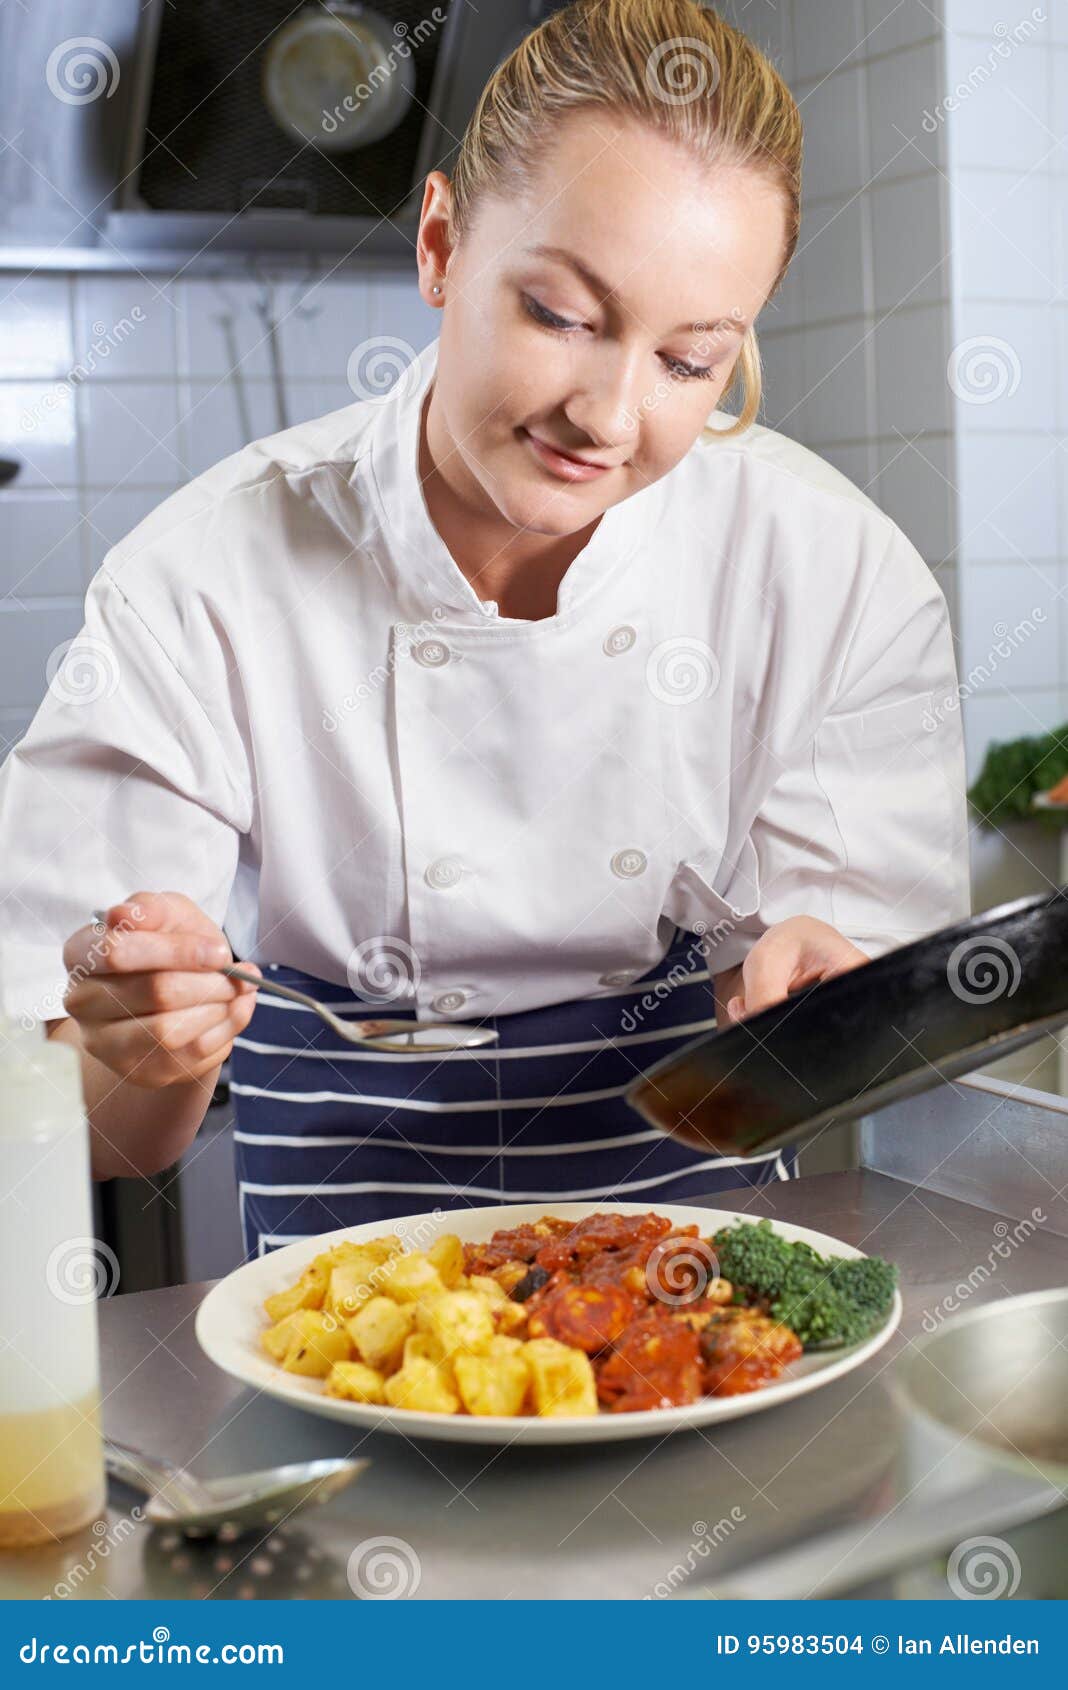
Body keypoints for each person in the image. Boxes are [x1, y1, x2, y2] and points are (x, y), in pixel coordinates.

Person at [0, 0, 969, 1259]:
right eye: (562, 316)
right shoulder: (202, 576)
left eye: (689, 361)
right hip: (335, 1317)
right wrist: (143, 1039)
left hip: (693, 1298)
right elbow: (103, 1133)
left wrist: (822, 1011)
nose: (607, 415)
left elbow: (879, 1065)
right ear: (443, 243)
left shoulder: (829, 568)